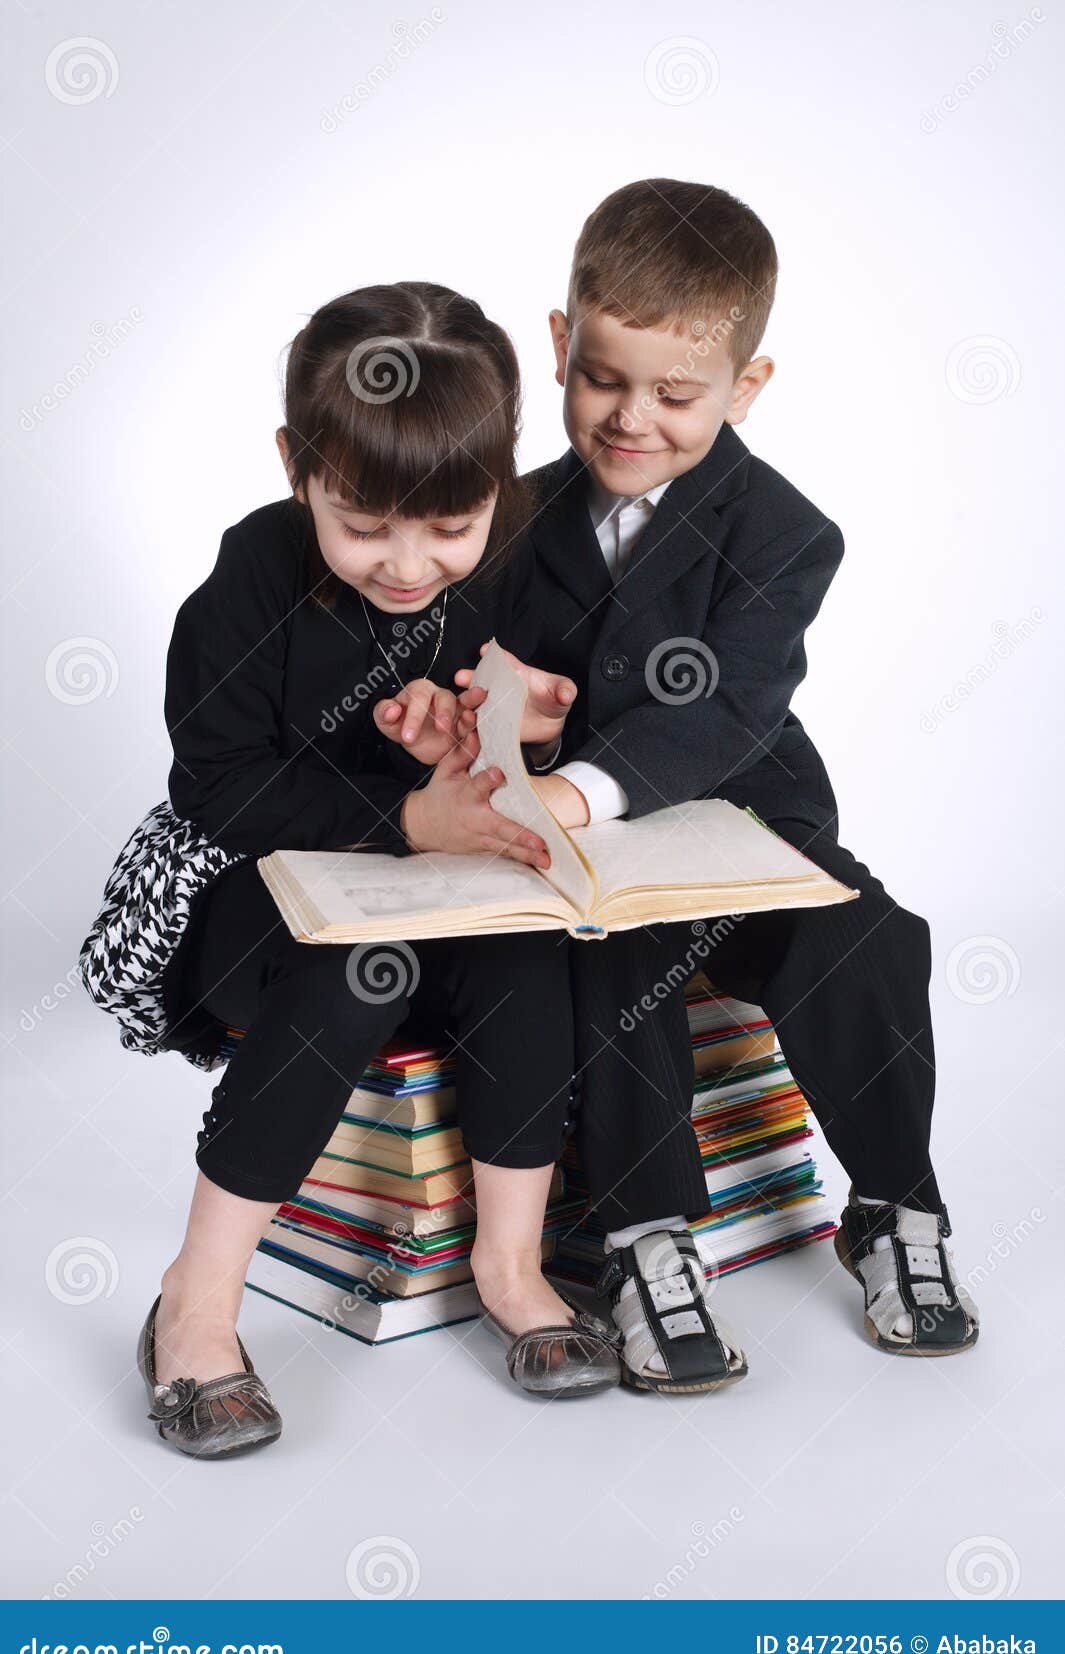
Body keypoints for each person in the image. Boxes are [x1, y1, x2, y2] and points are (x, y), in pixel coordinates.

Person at [85, 281, 631, 1460]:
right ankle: (197, 1303)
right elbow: (217, 784)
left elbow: (530, 725)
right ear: (298, 468)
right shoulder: (255, 572)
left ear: (498, 486)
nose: (407, 563)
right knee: (357, 972)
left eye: (447, 527)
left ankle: (510, 1262)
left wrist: (526, 725)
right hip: (246, 900)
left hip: (433, 888)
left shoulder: (516, 553)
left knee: (528, 942)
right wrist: (404, 818)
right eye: (365, 523)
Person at [459, 179, 979, 1388]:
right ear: (560, 347)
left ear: (746, 388)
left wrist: (578, 788)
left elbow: (724, 705)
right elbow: (462, 668)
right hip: (583, 867)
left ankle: (897, 1208)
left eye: (677, 394)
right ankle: (646, 1239)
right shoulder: (513, 519)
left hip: (747, 826)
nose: (632, 418)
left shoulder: (788, 533)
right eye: (602, 378)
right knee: (620, 951)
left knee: (873, 939)